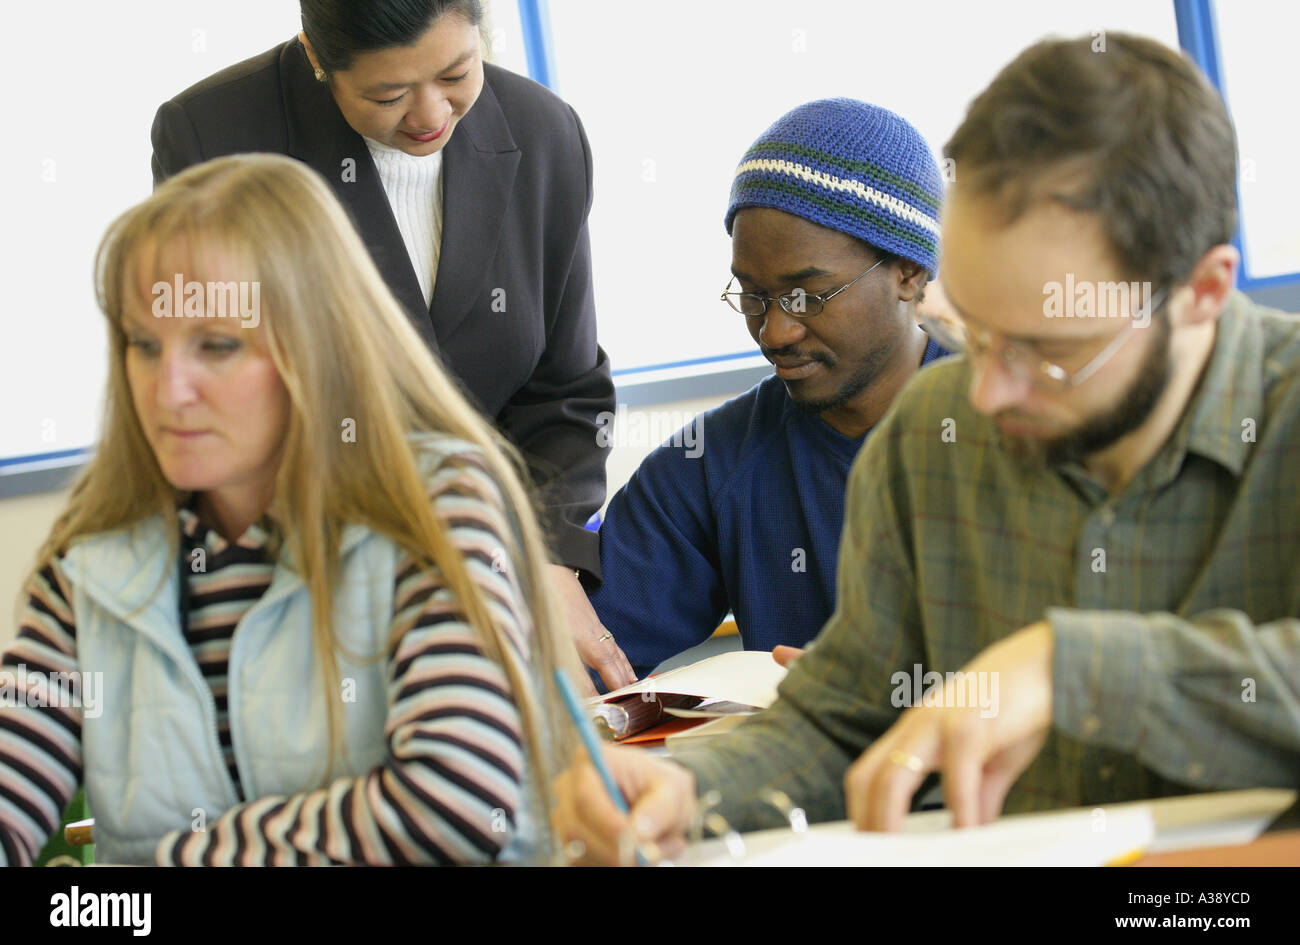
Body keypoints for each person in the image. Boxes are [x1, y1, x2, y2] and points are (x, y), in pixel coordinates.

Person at [553, 33, 1300, 863]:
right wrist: (693, 791)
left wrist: (1074, 670)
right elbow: (842, 717)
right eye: (975, 330)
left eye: (1043, 347)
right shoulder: (929, 435)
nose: (982, 393)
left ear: (1200, 294)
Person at [0, 154, 582, 866]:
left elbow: (454, 806)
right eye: (144, 345)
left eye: (216, 346)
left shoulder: (435, 504)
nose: (167, 389)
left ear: (318, 347)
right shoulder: (87, 564)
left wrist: (186, 861)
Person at [150, 0, 631, 691]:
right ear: (317, 57)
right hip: (306, 574)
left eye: (456, 73)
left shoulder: (544, 132)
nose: (430, 113)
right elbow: (219, 405)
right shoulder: (214, 137)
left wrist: (544, 560)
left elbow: (567, 393)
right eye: (388, 93)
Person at [585, 100, 950, 678]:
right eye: (753, 296)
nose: (776, 332)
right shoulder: (710, 465)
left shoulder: (1019, 430)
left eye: (807, 295)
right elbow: (584, 649)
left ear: (907, 272)